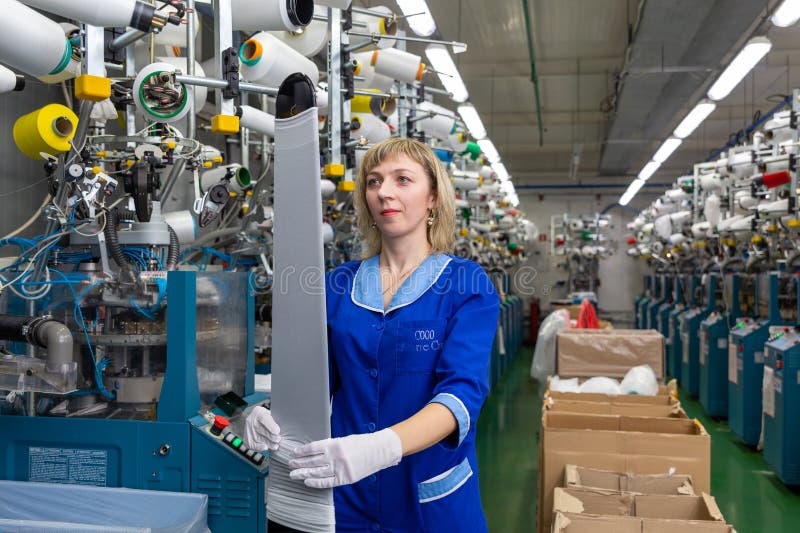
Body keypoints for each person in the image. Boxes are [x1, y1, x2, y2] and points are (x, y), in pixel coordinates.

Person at [245, 137, 500, 532]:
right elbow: (310, 386)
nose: (385, 192)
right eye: (374, 181)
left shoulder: (467, 285)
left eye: (402, 180)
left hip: (428, 502)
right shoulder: (335, 286)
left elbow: (461, 397)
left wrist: (382, 447)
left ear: (433, 197)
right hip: (347, 499)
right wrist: (263, 413)